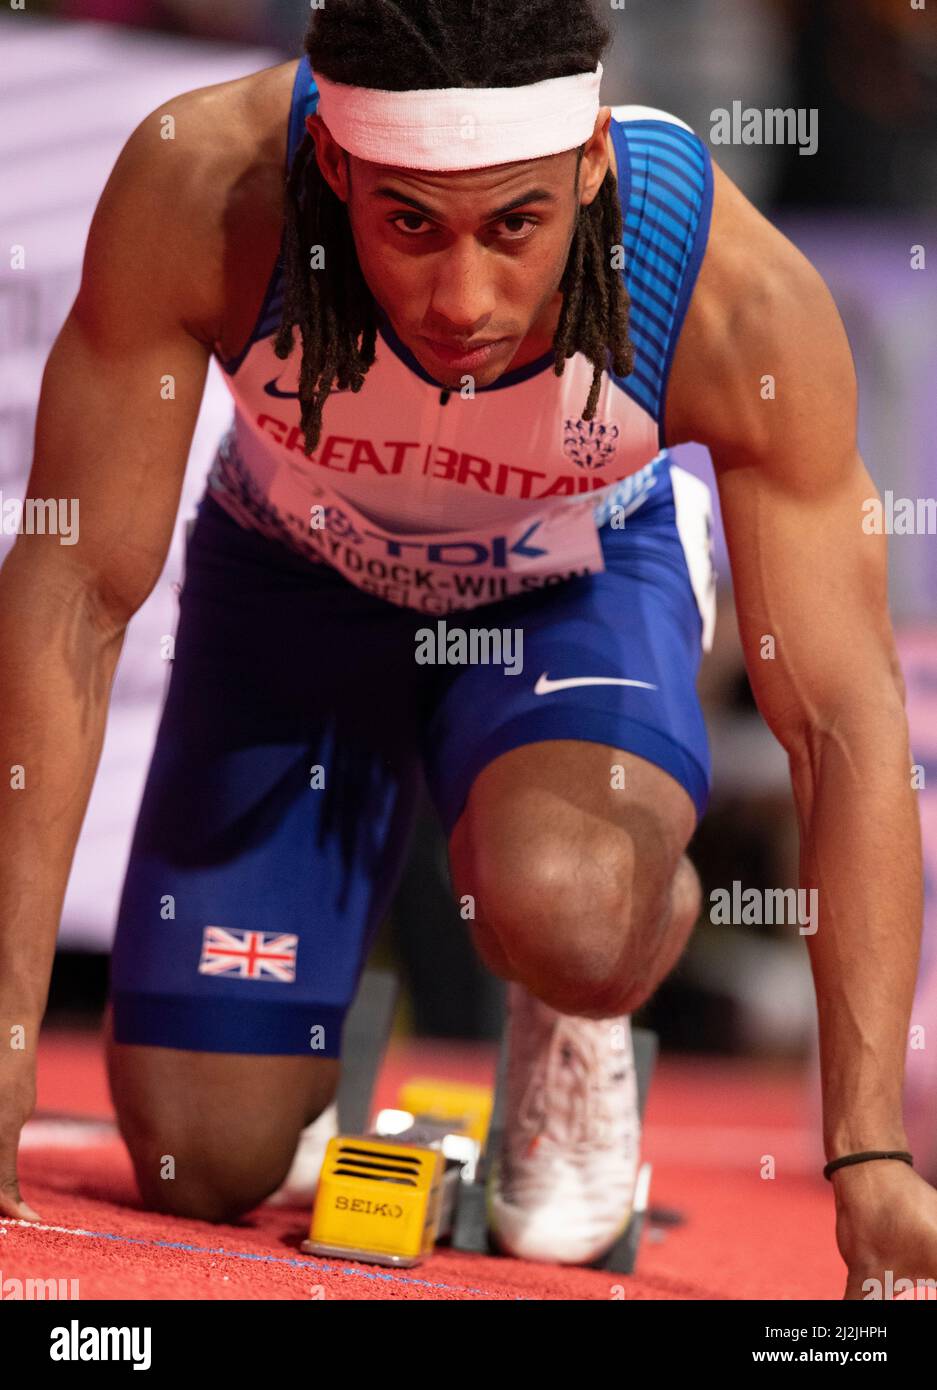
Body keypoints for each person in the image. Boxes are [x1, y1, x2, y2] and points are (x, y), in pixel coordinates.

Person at [1, 0, 932, 1292]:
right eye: (406, 226)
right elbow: (69, 601)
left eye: (514, 226)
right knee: (198, 1161)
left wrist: (866, 1155)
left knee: (567, 904)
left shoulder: (727, 294)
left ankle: (577, 1001)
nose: (462, 299)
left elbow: (841, 723)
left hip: (569, 587)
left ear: (588, 162)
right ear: (331, 165)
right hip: (292, 587)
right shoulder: (203, 183)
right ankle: (294, 1054)